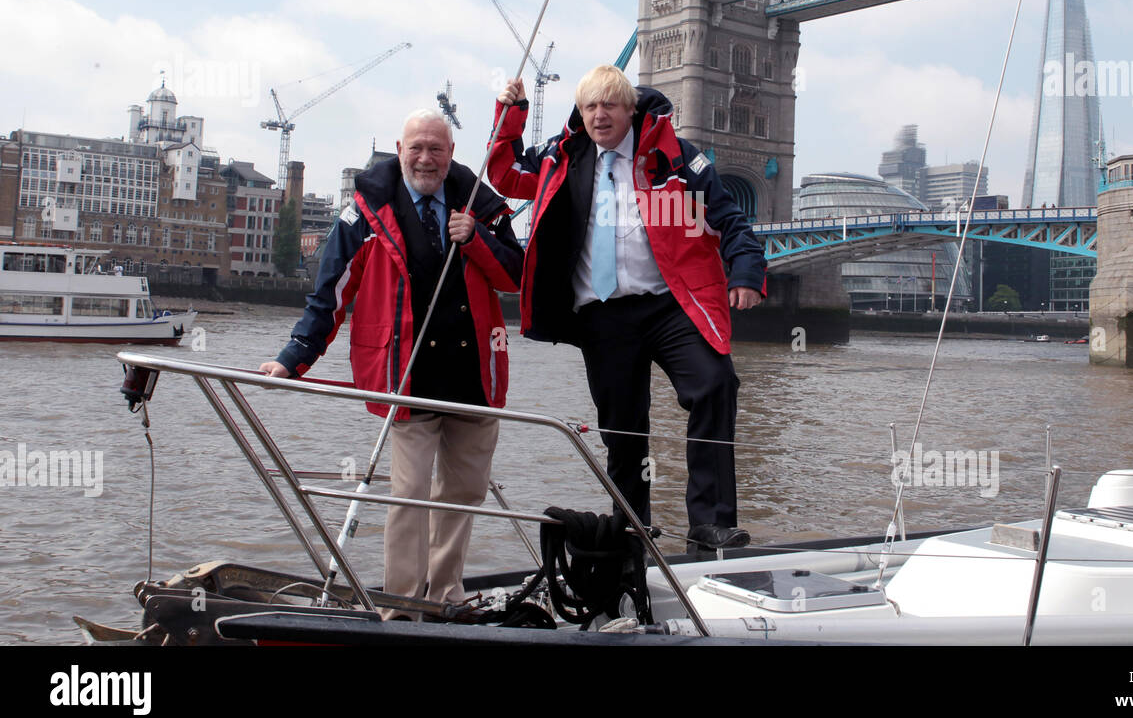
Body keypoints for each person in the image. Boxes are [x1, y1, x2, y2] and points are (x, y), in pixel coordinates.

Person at [489, 65, 765, 551]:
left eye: (609, 106)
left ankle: (711, 521)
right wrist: (510, 114)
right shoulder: (561, 157)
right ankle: (633, 525)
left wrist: (744, 273)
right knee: (622, 425)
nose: (599, 115)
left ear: (629, 110)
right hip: (602, 314)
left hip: (669, 305)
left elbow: (728, 217)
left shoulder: (676, 158)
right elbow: (504, 174)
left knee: (715, 385)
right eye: (589, 106)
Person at [259, 110, 522, 611]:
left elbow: (517, 277)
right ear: (399, 151)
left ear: (451, 155)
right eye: (417, 148)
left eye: (437, 149)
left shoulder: (483, 207)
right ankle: (401, 604)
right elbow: (332, 292)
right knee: (408, 493)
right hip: (405, 377)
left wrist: (478, 239)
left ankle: (446, 598)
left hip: (474, 378)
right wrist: (293, 357)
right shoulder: (365, 212)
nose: (426, 158)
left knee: (464, 492)